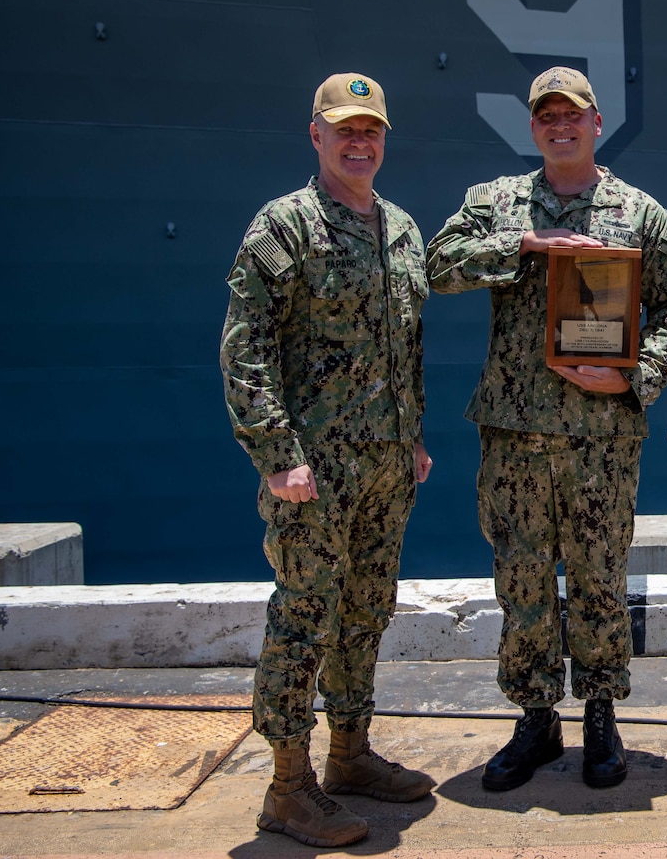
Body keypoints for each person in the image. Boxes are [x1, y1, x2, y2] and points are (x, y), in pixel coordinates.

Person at [426, 67, 667, 791]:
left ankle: (601, 714)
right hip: (514, 433)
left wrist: (634, 377)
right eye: (547, 115)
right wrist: (523, 245)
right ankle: (536, 716)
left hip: (601, 435)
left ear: (596, 123)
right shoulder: (495, 203)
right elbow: (436, 266)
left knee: (600, 575)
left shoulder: (640, 214)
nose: (560, 125)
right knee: (522, 577)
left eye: (572, 113)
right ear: (533, 126)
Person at [220, 73, 436, 847]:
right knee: (303, 617)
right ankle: (287, 786)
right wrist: (278, 455)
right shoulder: (285, 226)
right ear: (316, 135)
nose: (359, 142)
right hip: (313, 472)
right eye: (345, 129)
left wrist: (411, 436)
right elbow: (245, 349)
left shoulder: (401, 229)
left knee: (366, 611)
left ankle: (350, 752)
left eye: (370, 130)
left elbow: (405, 346)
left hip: (386, 467)